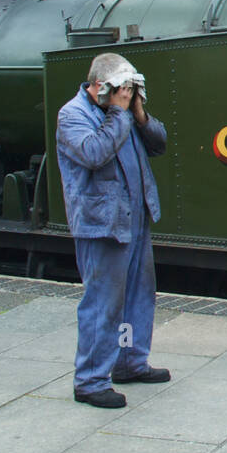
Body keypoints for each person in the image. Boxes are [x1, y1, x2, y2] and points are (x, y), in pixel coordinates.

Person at [57, 53, 169, 408]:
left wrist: (139, 114)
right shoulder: (72, 115)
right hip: (101, 223)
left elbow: (159, 144)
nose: (126, 94)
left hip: (135, 218)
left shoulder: (123, 114)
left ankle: (129, 363)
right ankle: (89, 381)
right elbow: (94, 154)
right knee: (103, 303)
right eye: (122, 88)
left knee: (137, 296)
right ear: (100, 85)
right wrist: (119, 114)